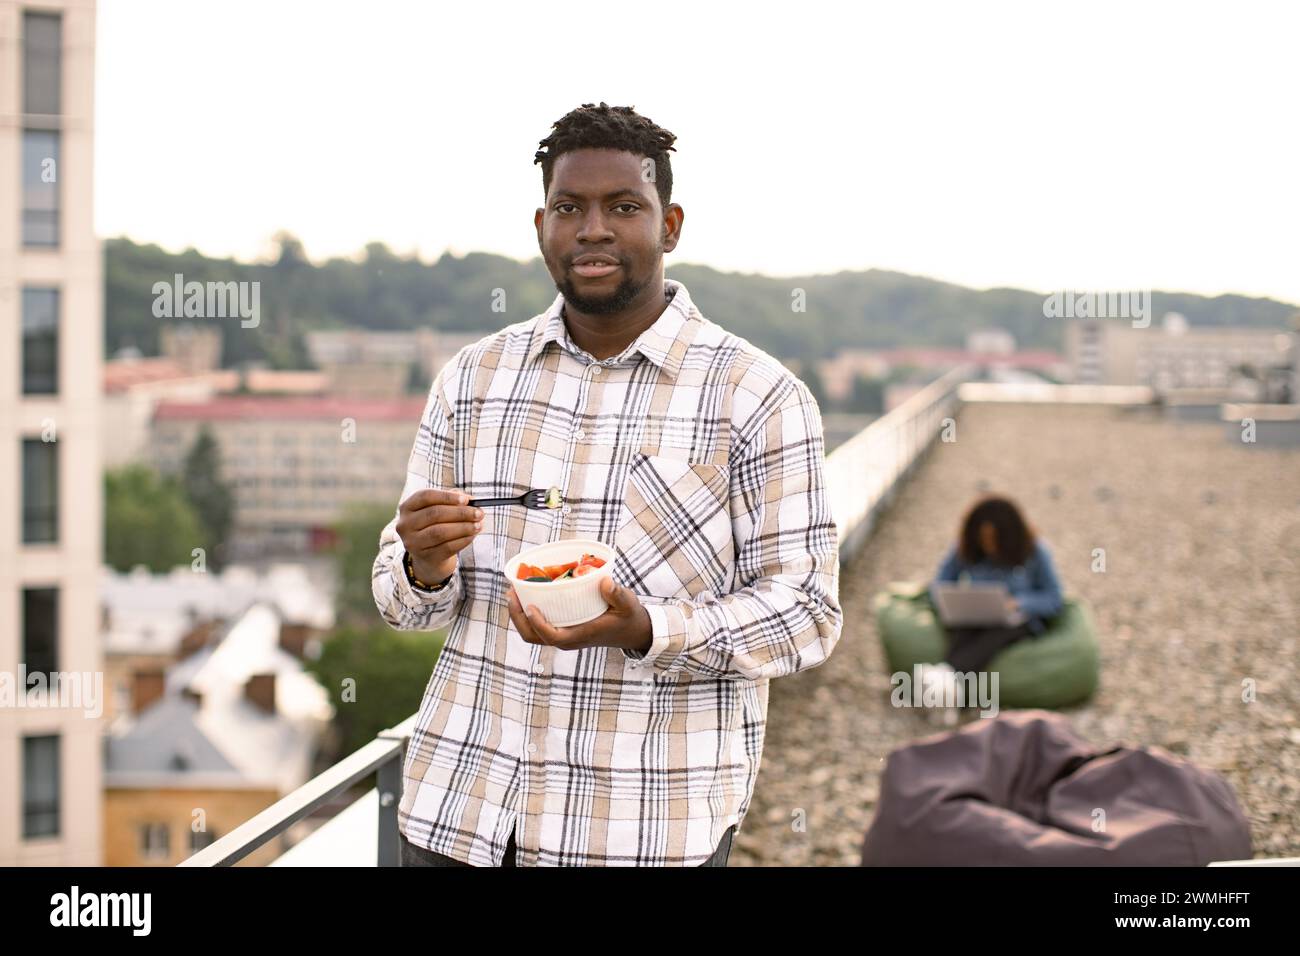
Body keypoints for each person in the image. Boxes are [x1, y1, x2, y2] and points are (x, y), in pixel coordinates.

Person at [373, 102, 843, 867]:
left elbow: (808, 614)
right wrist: (423, 565)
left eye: (624, 206)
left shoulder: (757, 397)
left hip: (638, 834)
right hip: (457, 814)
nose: (593, 228)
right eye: (570, 207)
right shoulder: (473, 379)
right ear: (540, 226)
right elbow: (400, 603)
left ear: (671, 225)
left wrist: (648, 629)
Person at [921, 495, 1063, 724]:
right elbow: (938, 585)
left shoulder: (1035, 551)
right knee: (961, 629)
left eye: (994, 539)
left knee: (995, 635)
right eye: (983, 539)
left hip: (1018, 621)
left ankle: (945, 680)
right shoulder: (964, 548)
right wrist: (954, 600)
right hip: (976, 614)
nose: (989, 545)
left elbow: (1054, 599)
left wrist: (1019, 602)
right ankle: (951, 688)